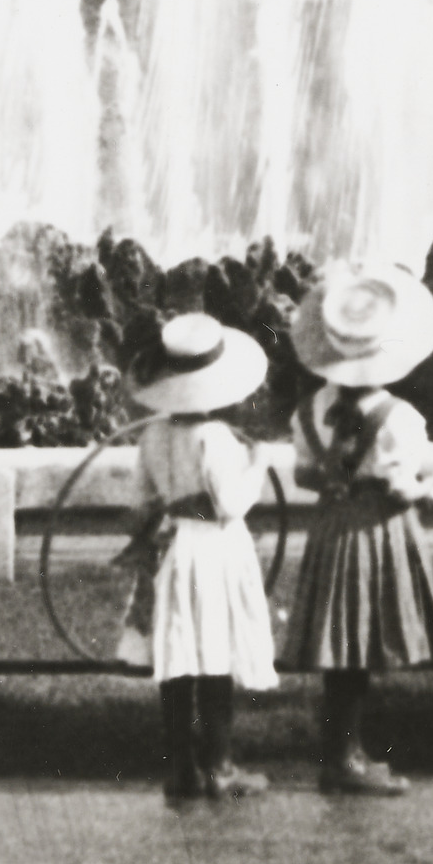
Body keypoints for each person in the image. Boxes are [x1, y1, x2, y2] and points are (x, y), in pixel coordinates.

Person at [283, 262, 433, 796]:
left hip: (332, 529)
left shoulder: (311, 408)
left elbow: (304, 473)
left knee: (341, 647)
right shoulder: (399, 417)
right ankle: (344, 760)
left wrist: (336, 479)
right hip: (376, 533)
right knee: (359, 646)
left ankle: (343, 752)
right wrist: (431, 493)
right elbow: (401, 487)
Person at [120, 312, 281, 803]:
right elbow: (230, 504)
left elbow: (140, 500)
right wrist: (259, 465)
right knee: (215, 656)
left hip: (173, 545)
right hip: (213, 547)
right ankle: (220, 765)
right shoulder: (217, 438)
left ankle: (181, 769)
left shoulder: (153, 435)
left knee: (178, 655)